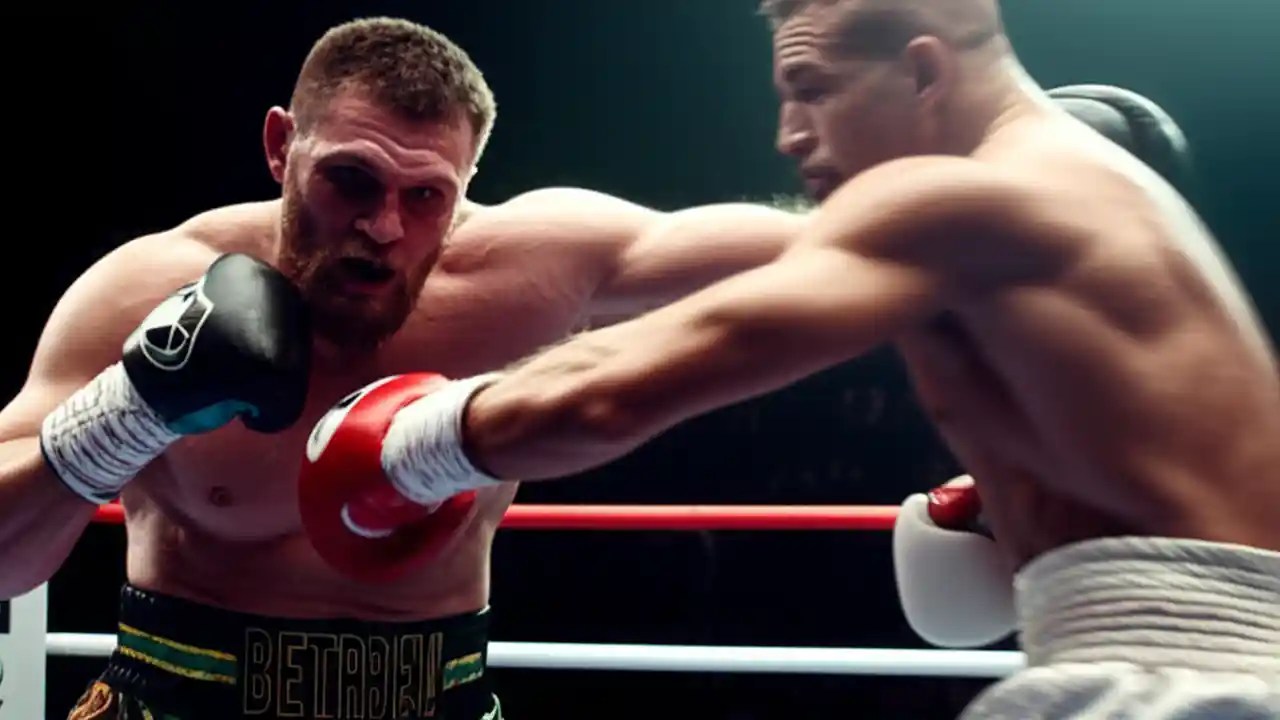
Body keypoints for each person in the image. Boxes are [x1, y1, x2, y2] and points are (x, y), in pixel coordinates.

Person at [316, 1, 1280, 717]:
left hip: (1175, 686)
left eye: (811, 90)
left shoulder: (959, 199)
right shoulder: (1094, 194)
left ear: (925, 72)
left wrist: (411, 442)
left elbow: (610, 393)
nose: (789, 134)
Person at [0, 16, 818, 720]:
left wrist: (944, 157)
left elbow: (846, 256)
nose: (383, 226)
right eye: (350, 180)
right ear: (282, 147)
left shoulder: (534, 272)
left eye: (426, 196)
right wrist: (125, 411)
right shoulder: (146, 286)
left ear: (466, 185)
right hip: (179, 696)